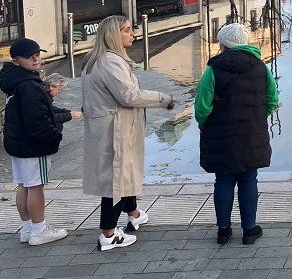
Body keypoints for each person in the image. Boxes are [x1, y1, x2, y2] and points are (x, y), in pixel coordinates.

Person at [81, 15, 175, 251]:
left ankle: (133, 213)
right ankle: (109, 234)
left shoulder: (94, 60)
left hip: (108, 127)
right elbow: (129, 96)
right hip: (116, 130)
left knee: (124, 174)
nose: (132, 33)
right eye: (126, 30)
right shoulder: (111, 61)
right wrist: (163, 98)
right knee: (117, 180)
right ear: (113, 35)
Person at [195, 23, 279, 245]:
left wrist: (205, 124)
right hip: (252, 133)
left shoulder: (213, 70)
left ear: (224, 44)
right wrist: (257, 117)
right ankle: (249, 230)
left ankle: (223, 231)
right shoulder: (261, 68)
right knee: (249, 178)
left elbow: (201, 106)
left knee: (223, 179)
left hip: (221, 134)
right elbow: (273, 101)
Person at [2, 39, 75, 245]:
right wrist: (54, 136)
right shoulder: (29, 85)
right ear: (16, 61)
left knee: (23, 185)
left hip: (17, 143)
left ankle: (27, 229)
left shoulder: (14, 82)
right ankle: (39, 230)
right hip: (33, 146)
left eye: (38, 55)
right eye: (30, 57)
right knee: (35, 187)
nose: (36, 60)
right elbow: (37, 119)